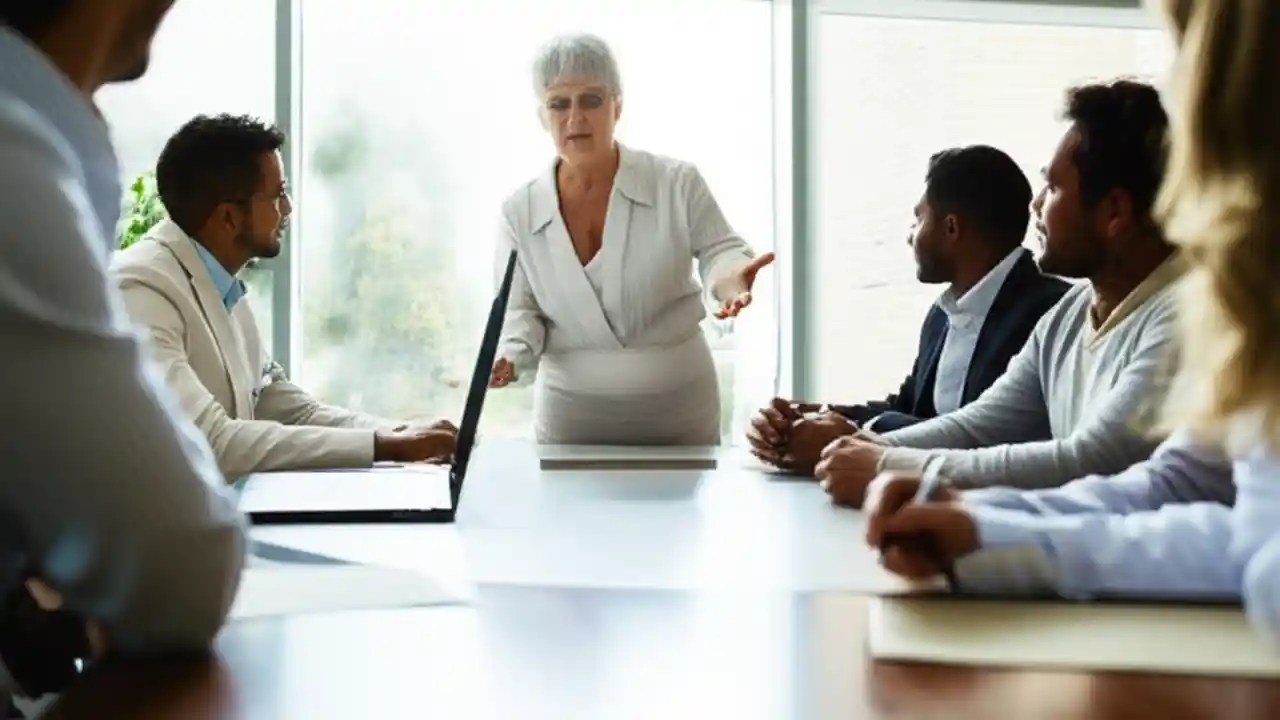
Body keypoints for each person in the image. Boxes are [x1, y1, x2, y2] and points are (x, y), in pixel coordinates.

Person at [861, 0, 1280, 647]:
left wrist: (906, 466)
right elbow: (1193, 492)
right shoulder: (1242, 306)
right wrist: (981, 526)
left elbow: (1099, 459)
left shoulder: (1190, 313)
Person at [0, 0, 245, 709]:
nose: (285, 209)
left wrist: (378, 437)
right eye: (277, 195)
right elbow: (175, 565)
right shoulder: (14, 164)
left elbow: (266, 390)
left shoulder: (231, 292)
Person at [817, 79, 1183, 504]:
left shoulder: (1186, 315)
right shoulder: (1069, 312)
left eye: (1054, 188)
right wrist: (858, 447)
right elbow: (980, 425)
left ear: (1114, 212)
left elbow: (1092, 461)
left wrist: (885, 463)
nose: (1037, 206)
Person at [112, 114, 459, 481]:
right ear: (228, 217)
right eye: (277, 195)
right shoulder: (141, 288)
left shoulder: (222, 285)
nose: (288, 208)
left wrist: (399, 433)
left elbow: (289, 409)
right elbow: (208, 441)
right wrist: (384, 446)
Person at [489, 34, 774, 446]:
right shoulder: (519, 211)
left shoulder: (677, 182)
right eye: (559, 104)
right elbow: (520, 311)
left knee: (682, 511)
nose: (575, 118)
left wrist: (731, 281)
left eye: (591, 100)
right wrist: (509, 358)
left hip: (680, 412)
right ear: (542, 115)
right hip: (571, 420)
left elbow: (721, 252)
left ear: (617, 106)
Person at [748, 145, 1069, 473]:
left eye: (918, 219)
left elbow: (977, 434)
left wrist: (853, 436)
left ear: (951, 228)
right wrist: (820, 415)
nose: (910, 236)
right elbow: (910, 409)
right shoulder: (943, 315)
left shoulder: (1052, 313)